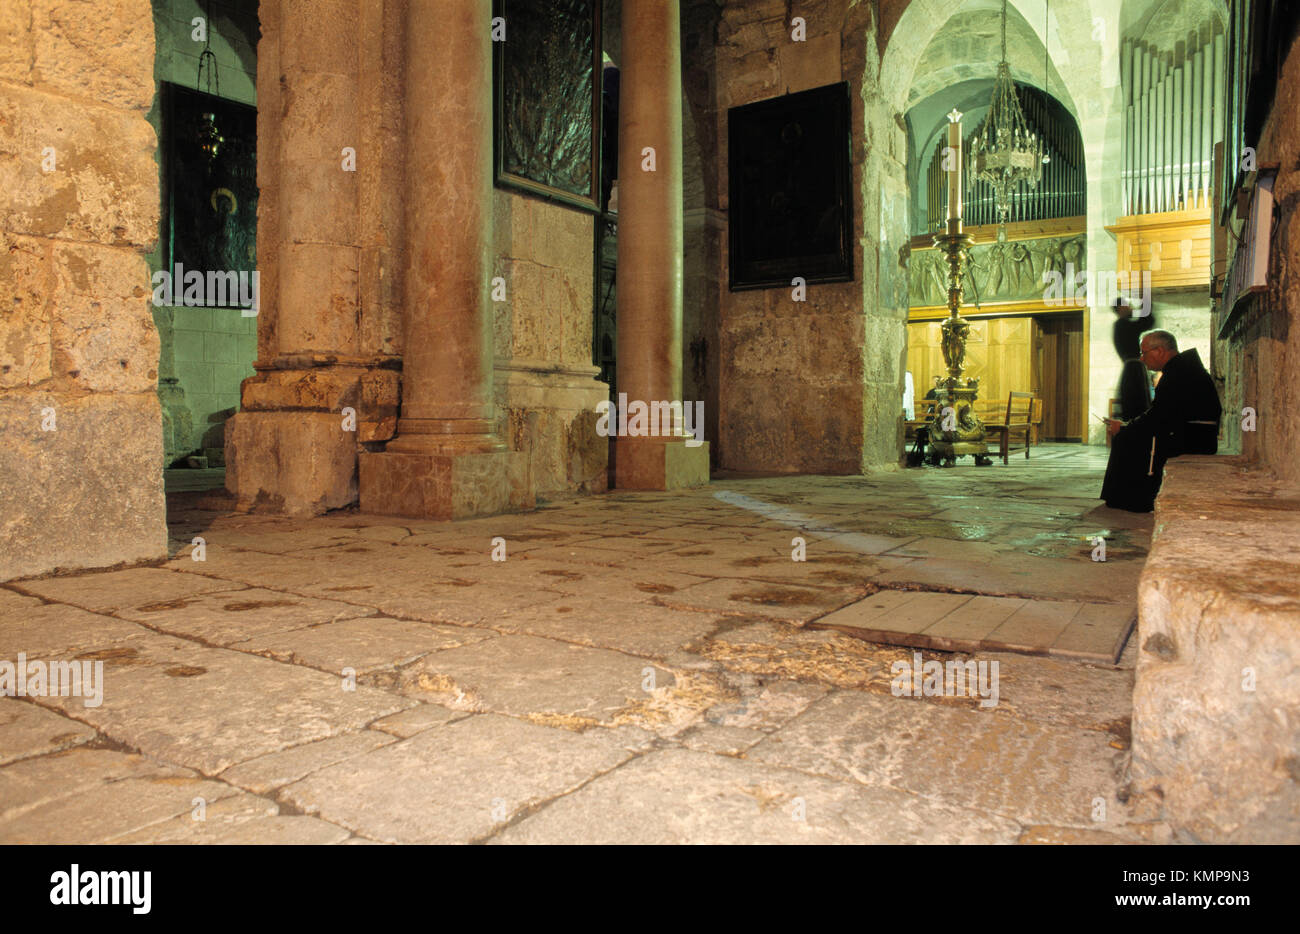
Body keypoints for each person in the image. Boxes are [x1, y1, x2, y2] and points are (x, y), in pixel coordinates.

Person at [1100, 330, 1221, 512]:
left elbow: (1158, 416)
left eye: (1144, 352)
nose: (1141, 359)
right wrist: (1129, 426)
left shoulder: (1178, 373)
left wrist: (1126, 429)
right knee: (1129, 434)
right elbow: (1162, 413)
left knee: (1125, 440)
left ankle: (1133, 500)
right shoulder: (1181, 369)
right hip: (1193, 433)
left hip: (1192, 439)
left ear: (1159, 351)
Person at [1111, 296, 1156, 420]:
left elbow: (1143, 323)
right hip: (1134, 371)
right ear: (1120, 308)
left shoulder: (1121, 326)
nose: (1131, 308)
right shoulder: (1121, 325)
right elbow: (1145, 323)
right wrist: (1146, 301)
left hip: (1132, 370)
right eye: (1128, 305)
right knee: (1138, 406)